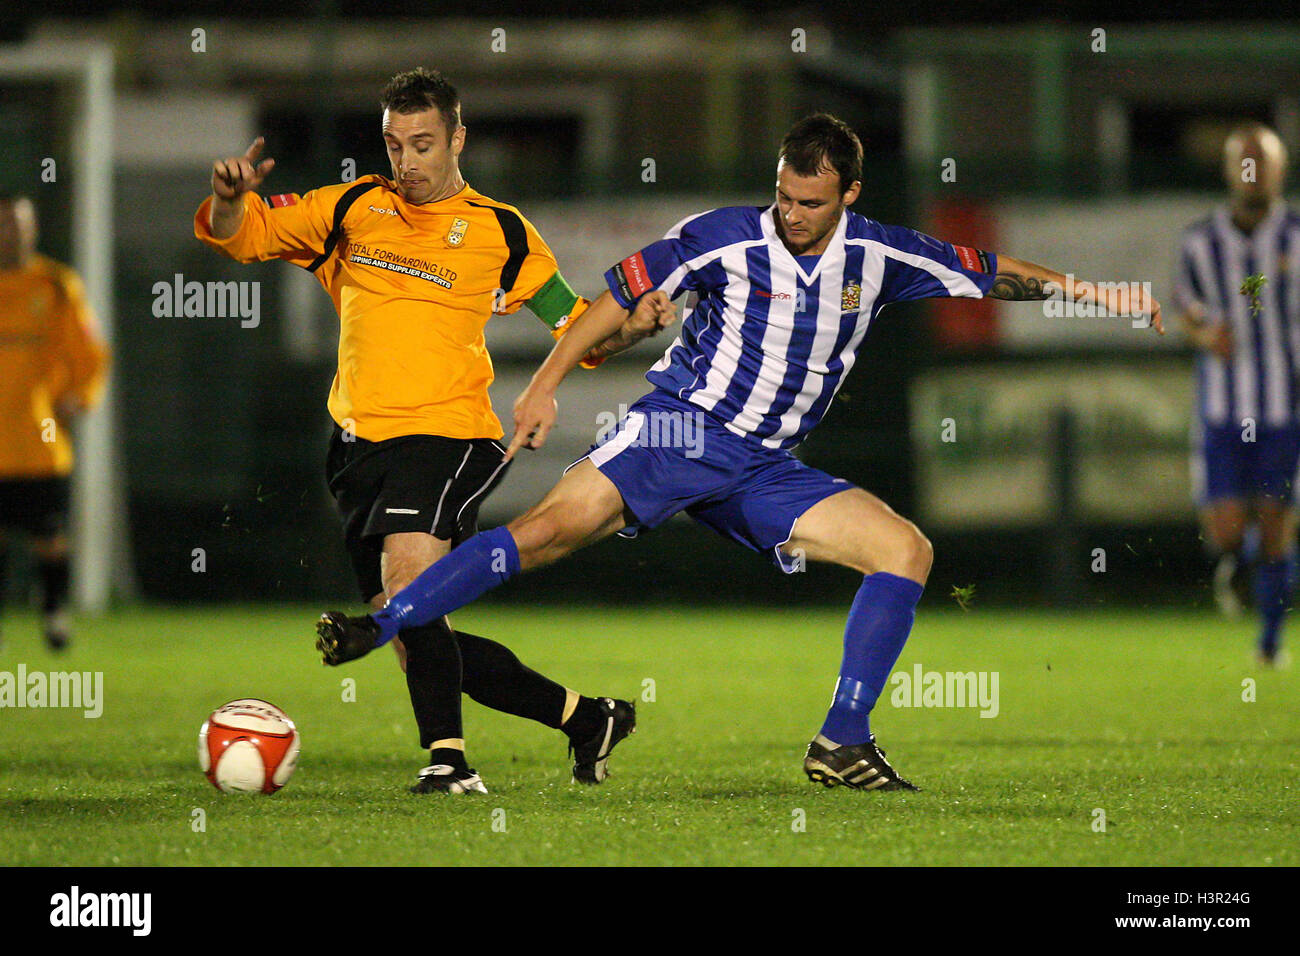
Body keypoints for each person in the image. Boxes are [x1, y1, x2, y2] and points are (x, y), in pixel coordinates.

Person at [317, 112, 1162, 791]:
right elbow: (616, 297)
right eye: (785, 197)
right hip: (678, 433)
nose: (792, 215)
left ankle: (843, 741)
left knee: (904, 549)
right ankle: (380, 624)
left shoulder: (879, 254)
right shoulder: (726, 236)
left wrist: (1097, 291)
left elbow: (990, 272)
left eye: (811, 203)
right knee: (540, 535)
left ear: (850, 196)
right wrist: (544, 385)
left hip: (765, 468)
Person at [196, 68, 667, 793]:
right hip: (356, 445)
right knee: (407, 626)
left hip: (451, 438)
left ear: (457, 139)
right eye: (394, 144)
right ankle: (585, 718)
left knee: (409, 590)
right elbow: (240, 238)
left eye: (422, 144)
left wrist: (631, 327)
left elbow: (578, 328)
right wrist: (230, 202)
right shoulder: (349, 208)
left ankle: (450, 764)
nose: (407, 161)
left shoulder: (501, 231)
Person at [1175, 122, 1299, 667]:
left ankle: (1269, 644)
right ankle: (1237, 561)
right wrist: (1204, 332)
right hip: (1224, 412)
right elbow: (1186, 309)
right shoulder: (1201, 242)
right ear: (1229, 171)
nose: (1254, 170)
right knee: (1225, 530)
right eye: (1244, 160)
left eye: (1263, 160)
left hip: (1285, 411)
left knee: (1275, 529)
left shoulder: (1297, 236)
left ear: (1281, 168)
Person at [0, 193, 108, 652]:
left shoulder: (57, 285)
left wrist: (80, 397)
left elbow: (91, 355)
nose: (12, 233)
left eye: (19, 224)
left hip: (41, 438)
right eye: (4, 224)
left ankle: (54, 613)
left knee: (49, 536)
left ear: (34, 228)